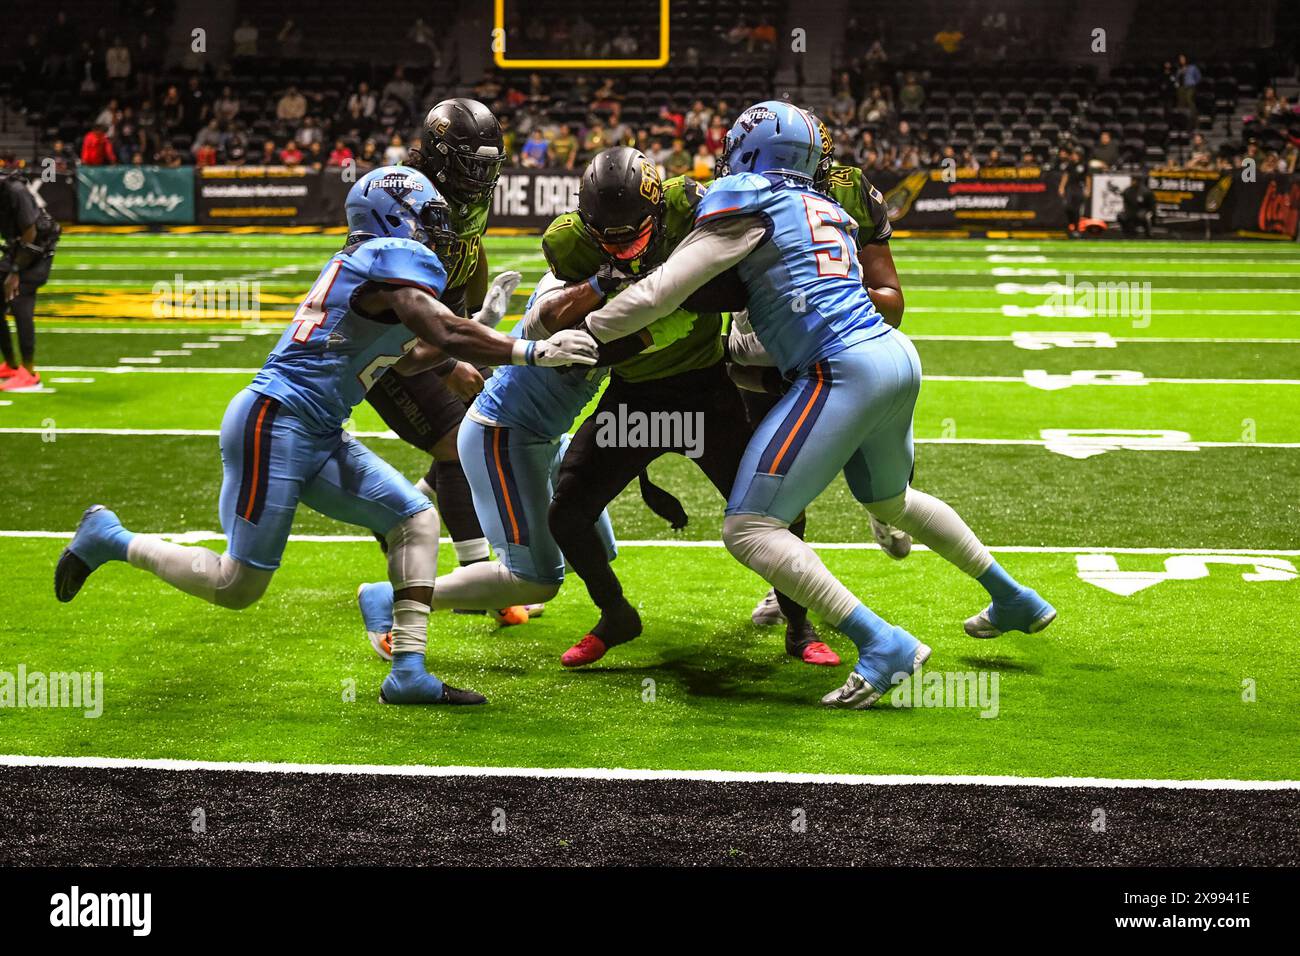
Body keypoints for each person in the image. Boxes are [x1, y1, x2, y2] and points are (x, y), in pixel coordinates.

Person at [53, 166, 600, 706]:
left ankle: (407, 672)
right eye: (428, 217)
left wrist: (484, 320)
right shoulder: (389, 256)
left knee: (414, 518)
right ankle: (112, 538)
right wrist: (526, 349)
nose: (439, 229)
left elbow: (410, 361)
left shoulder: (369, 265)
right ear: (395, 219)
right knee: (236, 584)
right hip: (275, 421)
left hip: (315, 429)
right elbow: (439, 330)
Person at [577, 102, 1057, 708]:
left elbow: (658, 292)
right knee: (890, 500)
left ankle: (880, 642)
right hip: (895, 356)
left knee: (749, 527)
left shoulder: (745, 198)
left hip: (841, 371)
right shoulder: (825, 207)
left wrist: (586, 329)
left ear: (748, 154)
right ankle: (1014, 596)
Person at [539, 148, 829, 668]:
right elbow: (559, 331)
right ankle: (616, 614)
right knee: (567, 513)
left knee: (778, 511)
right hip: (636, 399)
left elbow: (738, 284)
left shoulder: (688, 204)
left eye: (635, 232)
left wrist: (664, 302)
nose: (625, 246)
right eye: (611, 238)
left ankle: (799, 622)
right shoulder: (570, 242)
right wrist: (604, 291)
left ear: (657, 210)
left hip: (706, 393)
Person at [0, 171, 60, 391]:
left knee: (19, 298)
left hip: (37, 250)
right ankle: (11, 365)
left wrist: (15, 271)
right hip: (17, 247)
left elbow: (30, 233)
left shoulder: (15, 191)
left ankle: (30, 373)